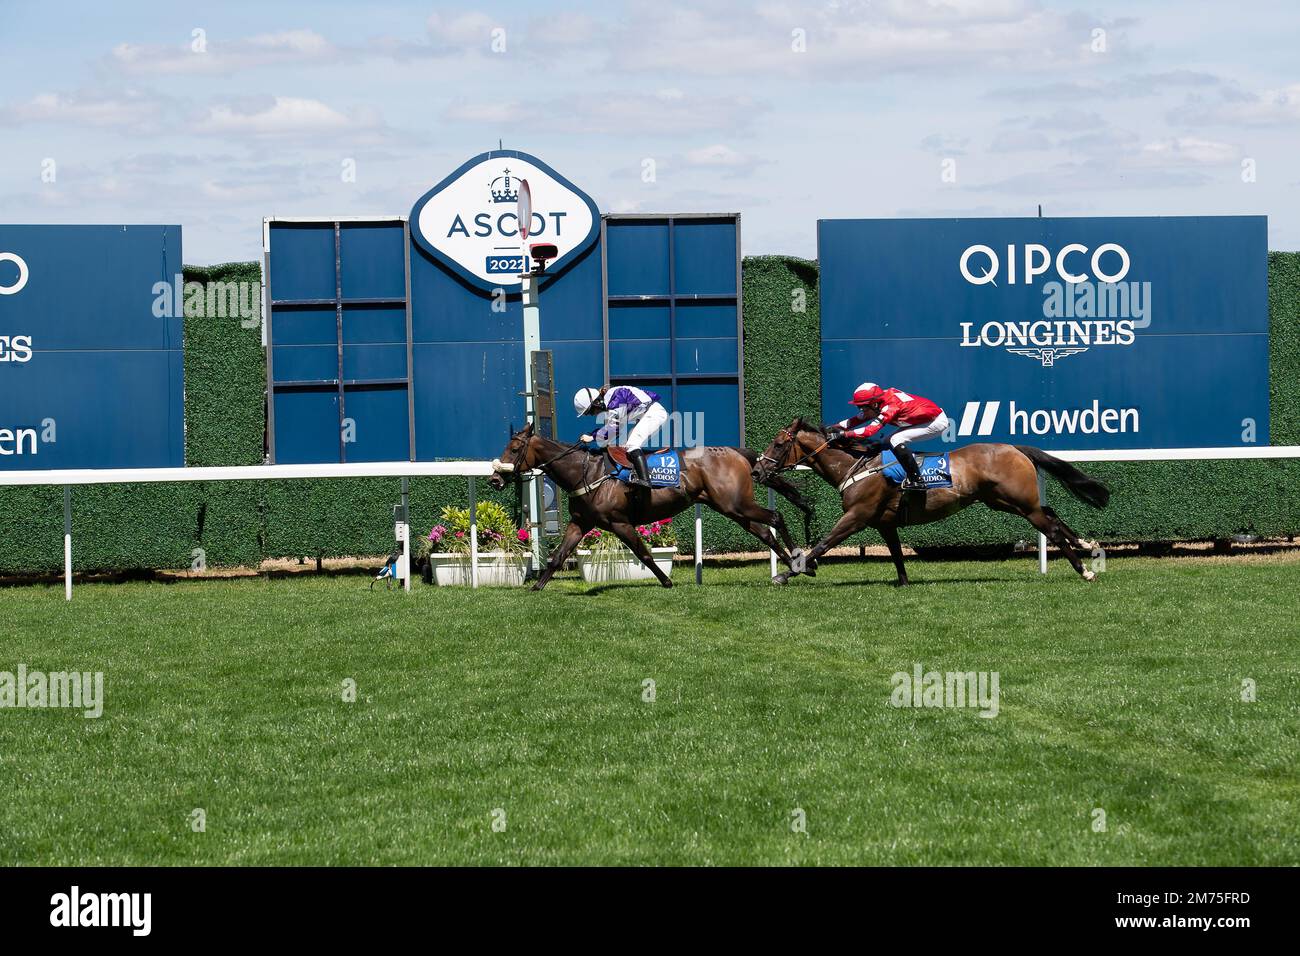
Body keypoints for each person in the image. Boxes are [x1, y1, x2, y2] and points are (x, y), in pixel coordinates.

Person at [826, 382, 949, 490]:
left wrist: (843, 434)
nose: (861, 410)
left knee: (896, 439)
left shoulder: (890, 406)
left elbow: (869, 431)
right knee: (886, 441)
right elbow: (856, 420)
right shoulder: (878, 402)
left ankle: (917, 480)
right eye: (859, 407)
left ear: (874, 404)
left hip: (935, 422)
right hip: (921, 419)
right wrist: (833, 427)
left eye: (862, 407)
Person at [573, 384, 669, 488]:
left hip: (654, 414)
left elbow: (614, 429)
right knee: (627, 446)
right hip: (646, 414)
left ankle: (645, 481)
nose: (592, 415)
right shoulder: (611, 399)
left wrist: (592, 437)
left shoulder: (614, 402)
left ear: (597, 403)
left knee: (632, 445)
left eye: (591, 411)